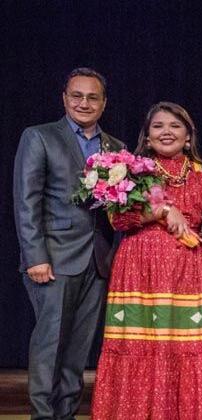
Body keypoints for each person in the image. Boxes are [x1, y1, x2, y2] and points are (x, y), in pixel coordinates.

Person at [90, 102, 202, 419]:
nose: (166, 132)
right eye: (158, 126)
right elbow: (118, 220)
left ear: (188, 136)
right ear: (147, 137)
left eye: (175, 126)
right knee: (142, 348)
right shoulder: (130, 171)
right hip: (141, 273)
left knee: (190, 349)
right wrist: (159, 210)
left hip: (195, 273)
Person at [12, 67, 125, 419]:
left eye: (93, 97)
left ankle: (66, 414)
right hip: (53, 259)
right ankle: (43, 415)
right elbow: (26, 201)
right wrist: (35, 256)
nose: (84, 103)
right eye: (77, 95)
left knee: (79, 349)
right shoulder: (40, 137)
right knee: (50, 345)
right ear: (64, 98)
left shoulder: (116, 148)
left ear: (104, 103)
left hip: (98, 260)